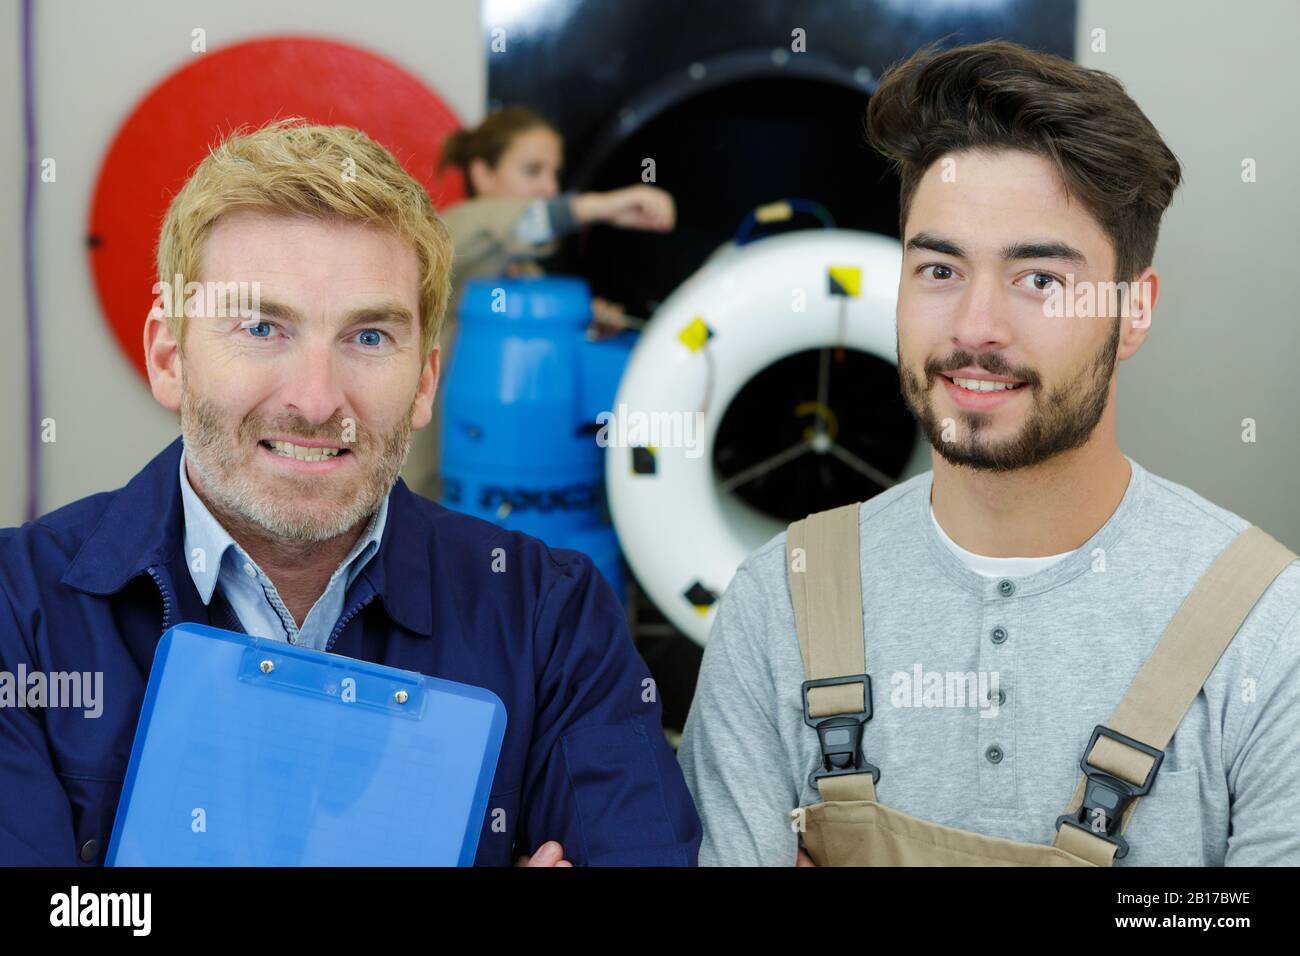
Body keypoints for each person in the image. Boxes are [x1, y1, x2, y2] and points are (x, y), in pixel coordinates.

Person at [0, 118, 701, 867]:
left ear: (426, 379)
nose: (314, 399)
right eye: (263, 326)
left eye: (369, 337)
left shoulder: (550, 616)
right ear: (169, 355)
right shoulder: (18, 612)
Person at [677, 40, 1300, 866]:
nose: (975, 328)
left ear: (1134, 311)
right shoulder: (776, 603)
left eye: (1038, 279)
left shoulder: (1269, 634)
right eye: (939, 268)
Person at [401, 106, 675, 499]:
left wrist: (589, 326)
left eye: (554, 174)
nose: (549, 187)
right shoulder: (450, 232)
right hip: (426, 473)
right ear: (482, 173)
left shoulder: (523, 268)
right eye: (532, 171)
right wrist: (604, 206)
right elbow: (529, 221)